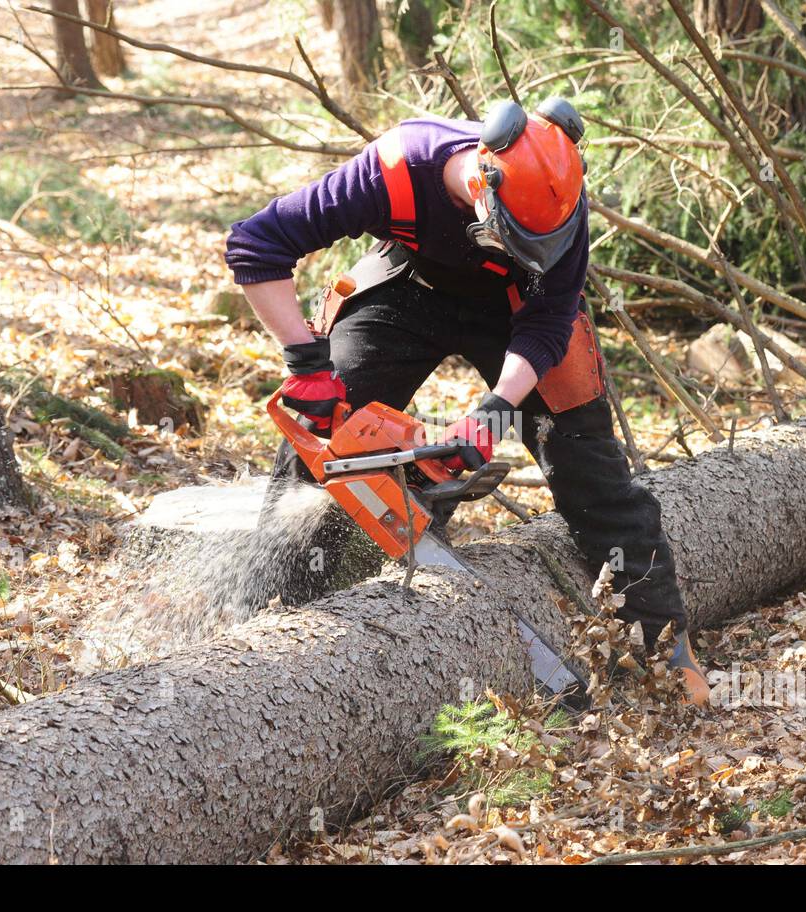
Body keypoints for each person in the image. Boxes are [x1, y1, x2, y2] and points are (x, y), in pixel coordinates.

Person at [225, 98, 709, 707]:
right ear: (482, 188)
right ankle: (265, 618)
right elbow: (256, 243)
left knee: (591, 467)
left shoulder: (561, 191)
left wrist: (497, 407)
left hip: (518, 312)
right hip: (409, 282)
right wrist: (307, 367)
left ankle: (668, 648)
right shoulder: (395, 166)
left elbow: (551, 318)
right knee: (326, 434)